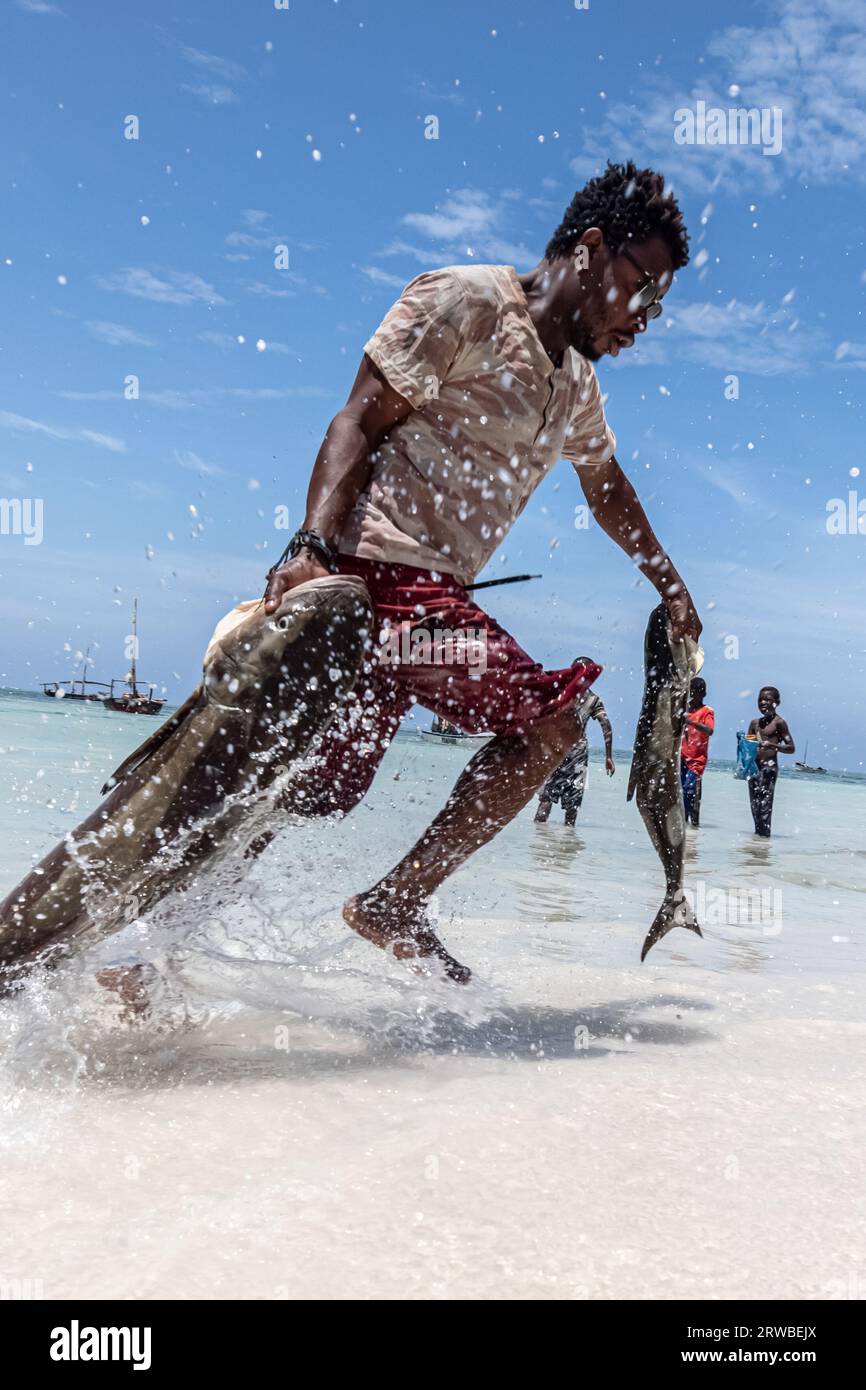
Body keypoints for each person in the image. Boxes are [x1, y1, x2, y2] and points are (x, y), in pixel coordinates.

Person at [262, 160, 702, 983]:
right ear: (593, 250)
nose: (646, 319)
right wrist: (311, 550)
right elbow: (358, 415)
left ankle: (147, 933)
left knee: (309, 788)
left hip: (427, 602)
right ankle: (395, 902)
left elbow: (605, 487)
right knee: (551, 725)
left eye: (661, 305)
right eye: (643, 290)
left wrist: (669, 585)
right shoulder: (466, 301)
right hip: (371, 582)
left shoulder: (576, 386)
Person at [535, 683, 614, 826]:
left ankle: (538, 841)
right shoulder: (593, 699)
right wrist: (608, 756)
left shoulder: (562, 694)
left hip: (558, 753)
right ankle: (569, 840)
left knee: (546, 798)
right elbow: (606, 725)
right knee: (574, 804)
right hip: (579, 756)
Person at [746, 687, 795, 837]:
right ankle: (758, 841)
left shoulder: (779, 723)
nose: (763, 703)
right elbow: (748, 746)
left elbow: (791, 748)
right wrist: (741, 743)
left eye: (767, 700)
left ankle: (764, 837)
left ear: (776, 702)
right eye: (760, 700)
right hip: (754, 768)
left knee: (765, 806)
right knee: (755, 806)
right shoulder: (754, 723)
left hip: (769, 769)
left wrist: (772, 745)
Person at [680, 676, 714, 826]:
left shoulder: (707, 711)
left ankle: (692, 824)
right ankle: (682, 823)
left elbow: (709, 730)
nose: (693, 696)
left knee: (690, 790)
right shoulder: (684, 709)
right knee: (679, 791)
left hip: (696, 760)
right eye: (691, 692)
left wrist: (691, 722)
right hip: (680, 758)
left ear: (703, 694)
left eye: (697, 693)